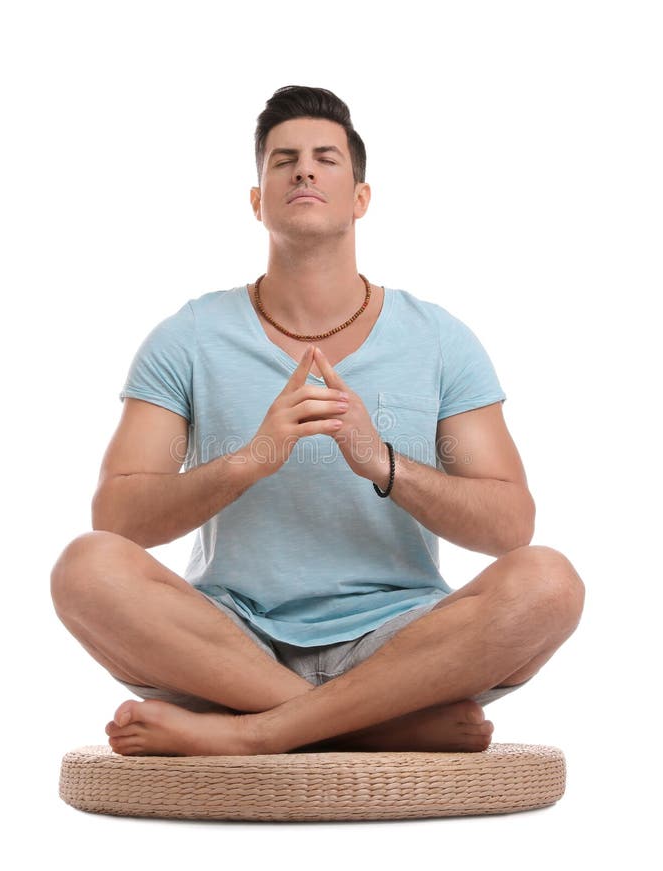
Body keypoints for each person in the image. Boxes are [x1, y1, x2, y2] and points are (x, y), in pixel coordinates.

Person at [50, 85, 585, 758]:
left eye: (326, 158)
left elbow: (511, 526)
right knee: (84, 567)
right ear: (258, 200)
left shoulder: (441, 339)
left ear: (361, 198)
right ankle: (376, 726)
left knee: (549, 581)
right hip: (230, 643)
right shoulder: (187, 336)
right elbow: (118, 517)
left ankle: (259, 730)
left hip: (401, 642)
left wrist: (381, 461)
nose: (304, 170)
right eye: (284, 160)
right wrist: (252, 459)